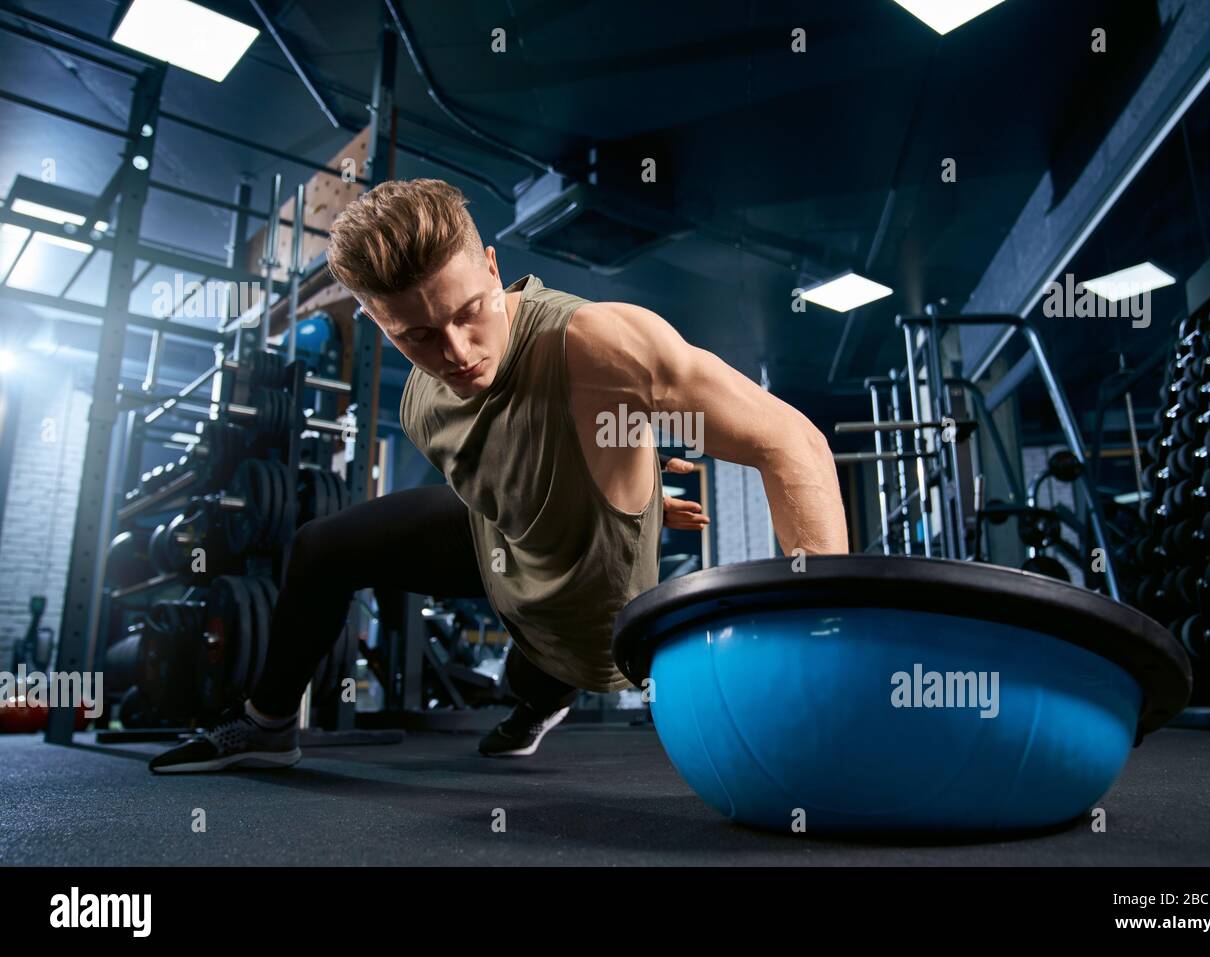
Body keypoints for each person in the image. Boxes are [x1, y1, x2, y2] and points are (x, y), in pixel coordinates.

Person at [150, 178, 846, 773]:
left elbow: (793, 444)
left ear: (491, 265)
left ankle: (541, 699)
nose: (454, 351)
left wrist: (827, 661)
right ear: (374, 320)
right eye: (414, 335)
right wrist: (624, 476)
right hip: (499, 550)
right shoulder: (420, 401)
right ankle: (267, 726)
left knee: (537, 676)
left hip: (589, 609)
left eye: (467, 313)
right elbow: (511, 462)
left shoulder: (598, 346)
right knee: (320, 547)